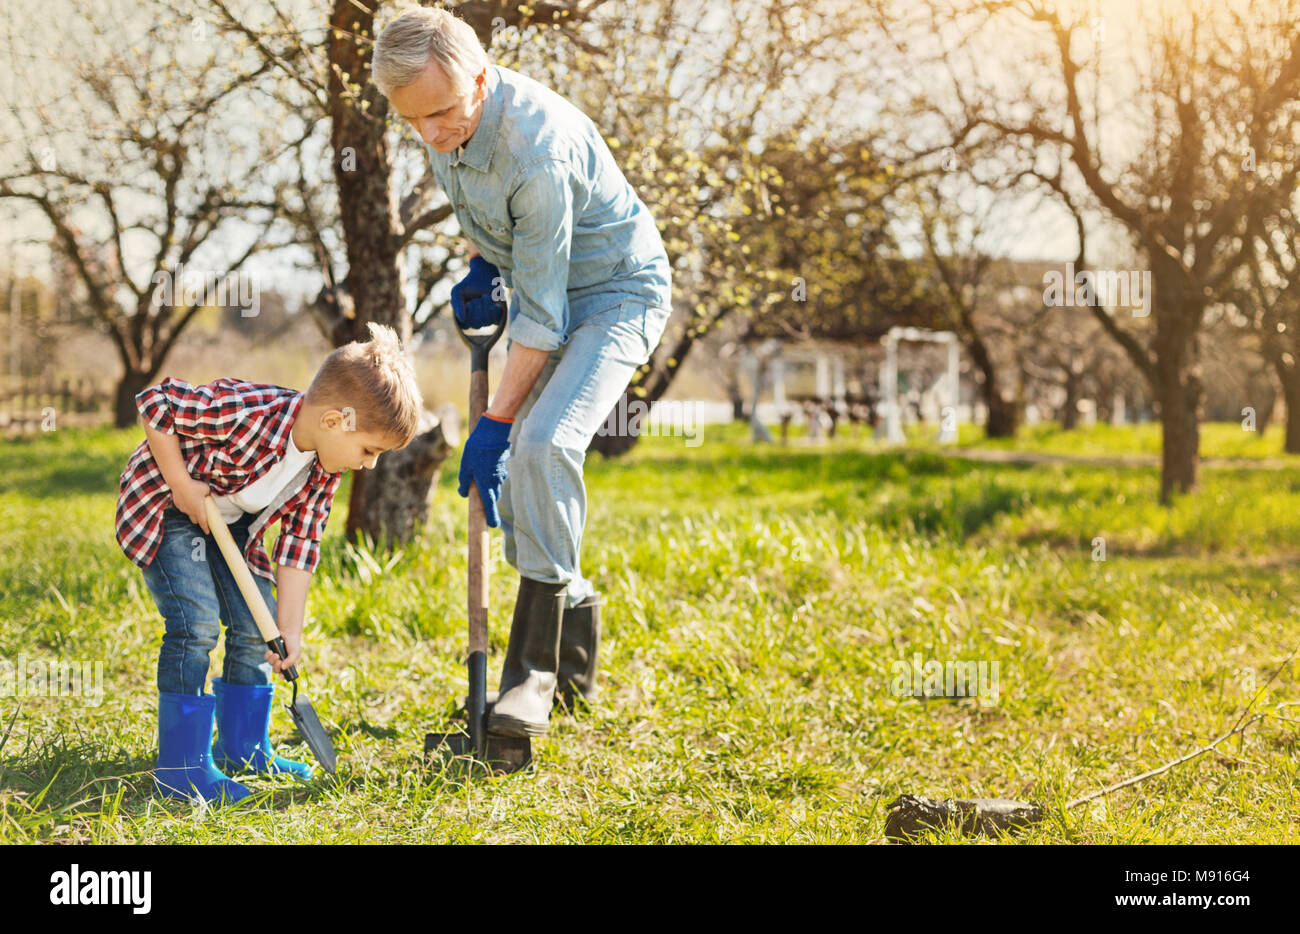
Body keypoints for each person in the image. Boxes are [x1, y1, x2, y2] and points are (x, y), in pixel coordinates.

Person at [372, 8, 673, 738]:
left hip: (614, 295)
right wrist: (482, 261)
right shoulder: (442, 114)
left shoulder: (538, 150)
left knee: (540, 446)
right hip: (548, 285)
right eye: (415, 123)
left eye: (443, 114)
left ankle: (529, 676)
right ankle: (567, 672)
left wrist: (496, 423)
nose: (434, 136)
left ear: (481, 77)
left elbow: (539, 318)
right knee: (528, 482)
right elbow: (487, 208)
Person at [114, 323, 423, 803]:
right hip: (170, 507)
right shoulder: (246, 412)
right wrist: (180, 482)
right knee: (196, 623)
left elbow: (300, 545)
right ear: (335, 420)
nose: (369, 465)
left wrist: (288, 630)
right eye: (369, 450)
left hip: (229, 525)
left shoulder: (324, 469)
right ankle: (181, 767)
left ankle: (243, 747)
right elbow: (158, 404)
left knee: (253, 625)